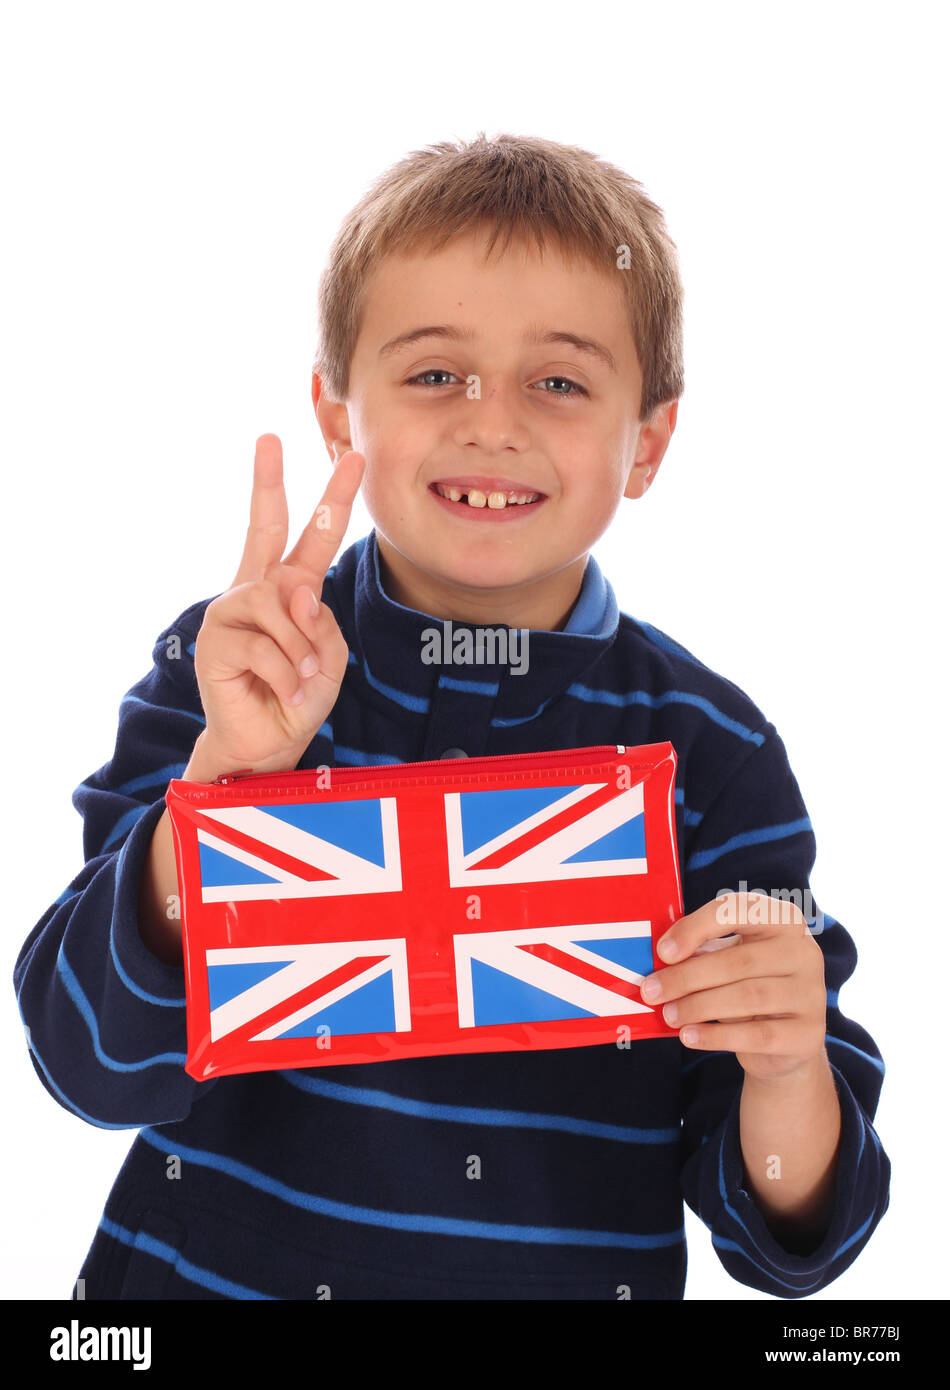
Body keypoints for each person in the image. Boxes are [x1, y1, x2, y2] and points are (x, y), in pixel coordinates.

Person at [13, 132, 889, 1300]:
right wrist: (224, 781)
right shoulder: (232, 670)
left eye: (560, 381)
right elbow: (89, 1066)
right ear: (338, 416)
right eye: (434, 373)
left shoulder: (715, 758)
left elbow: (791, 1241)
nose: (492, 421)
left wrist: (785, 1065)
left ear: (648, 443)